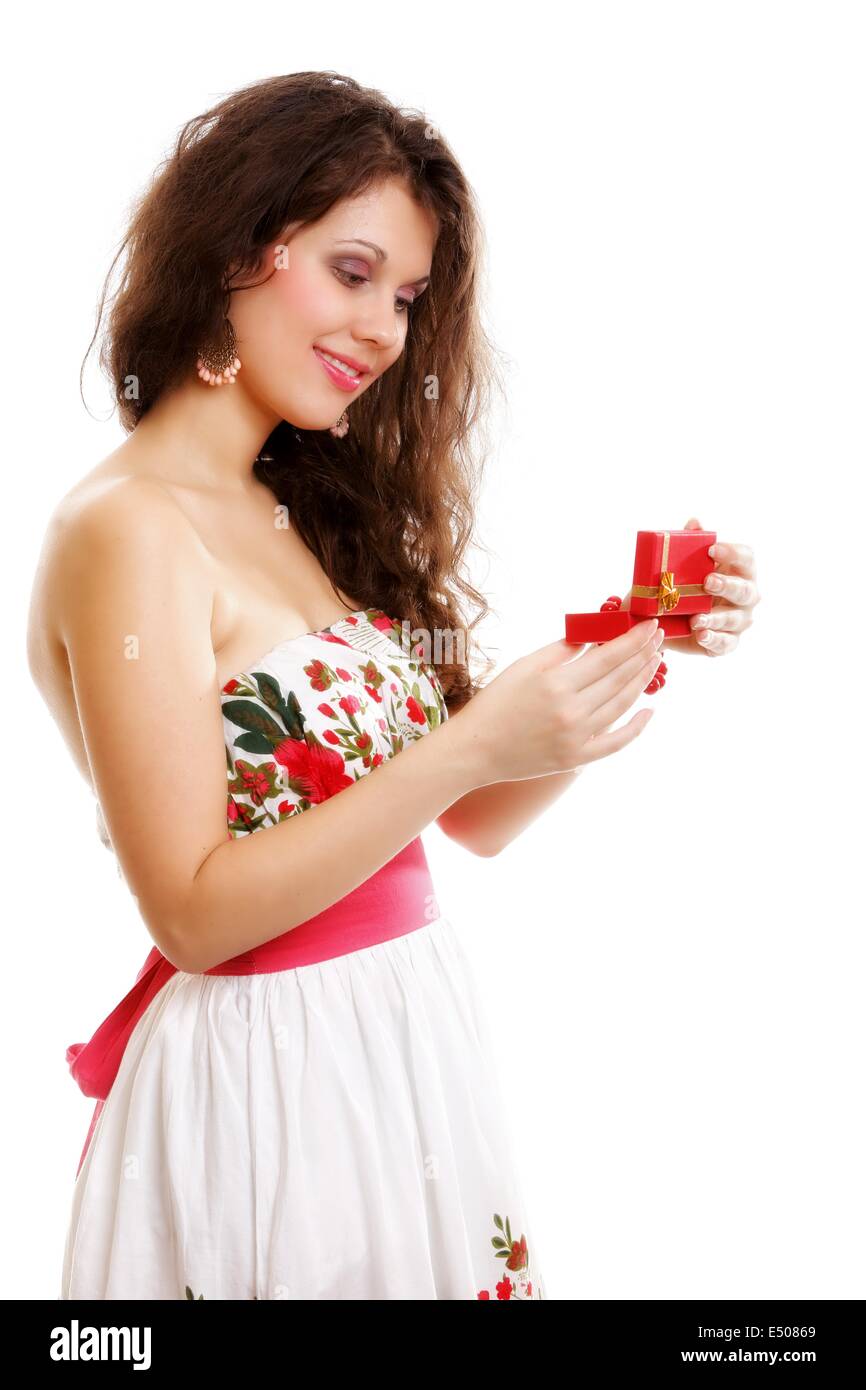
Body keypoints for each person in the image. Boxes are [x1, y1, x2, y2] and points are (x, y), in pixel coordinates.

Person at [27, 71, 695, 1301]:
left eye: (403, 298)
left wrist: (646, 639)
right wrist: (467, 746)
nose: (385, 332)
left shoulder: (299, 515)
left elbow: (472, 815)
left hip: (398, 1047)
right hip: (267, 1082)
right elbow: (192, 911)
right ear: (239, 246)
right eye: (351, 273)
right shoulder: (127, 528)